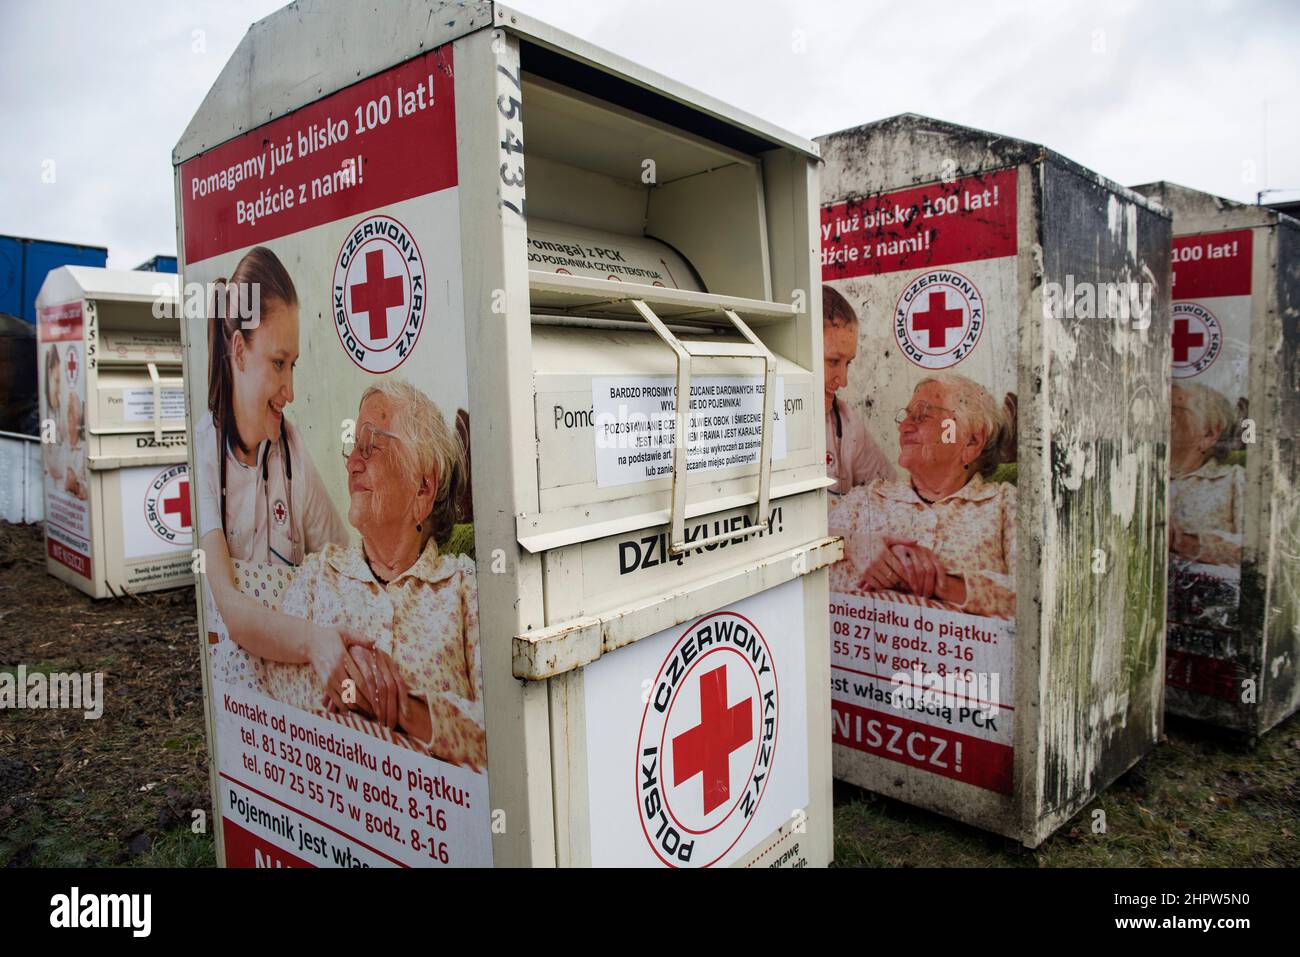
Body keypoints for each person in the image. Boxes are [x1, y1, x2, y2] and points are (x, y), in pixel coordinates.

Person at [263, 379, 486, 770]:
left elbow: (501, 729)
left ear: (422, 487)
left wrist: (406, 708)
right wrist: (351, 678)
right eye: (353, 449)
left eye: (371, 447)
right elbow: (272, 688)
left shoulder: (465, 589)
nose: (352, 464)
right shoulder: (319, 574)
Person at [194, 246, 357, 694]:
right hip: (238, 698)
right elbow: (230, 607)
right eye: (279, 364)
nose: (290, 390)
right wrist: (314, 642)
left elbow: (342, 563)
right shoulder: (205, 454)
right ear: (239, 351)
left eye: (294, 366)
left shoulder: (291, 448)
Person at [831, 373, 1017, 619]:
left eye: (922, 415)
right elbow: (802, 552)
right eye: (906, 415)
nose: (904, 426)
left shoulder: (1006, 505)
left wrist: (942, 583)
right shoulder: (865, 499)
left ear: (972, 440)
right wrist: (853, 545)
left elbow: (1037, 597)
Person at [823, 285, 894, 493]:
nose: (843, 381)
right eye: (833, 361)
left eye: (848, 363)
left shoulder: (846, 422)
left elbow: (890, 494)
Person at [1168, 382, 1244, 566]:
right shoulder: (1136, 479)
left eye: (1174, 411)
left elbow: (1253, 552)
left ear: (1209, 434)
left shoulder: (1233, 480)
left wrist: (1182, 542)